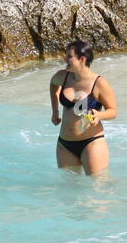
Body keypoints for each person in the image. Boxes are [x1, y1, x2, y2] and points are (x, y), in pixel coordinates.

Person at [50, 39, 118, 175]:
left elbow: (113, 111)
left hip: (92, 143)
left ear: (82, 59)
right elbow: (53, 85)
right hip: (65, 144)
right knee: (68, 190)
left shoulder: (99, 83)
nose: (65, 59)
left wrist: (99, 115)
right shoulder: (62, 76)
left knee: (97, 188)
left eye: (69, 56)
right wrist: (55, 110)